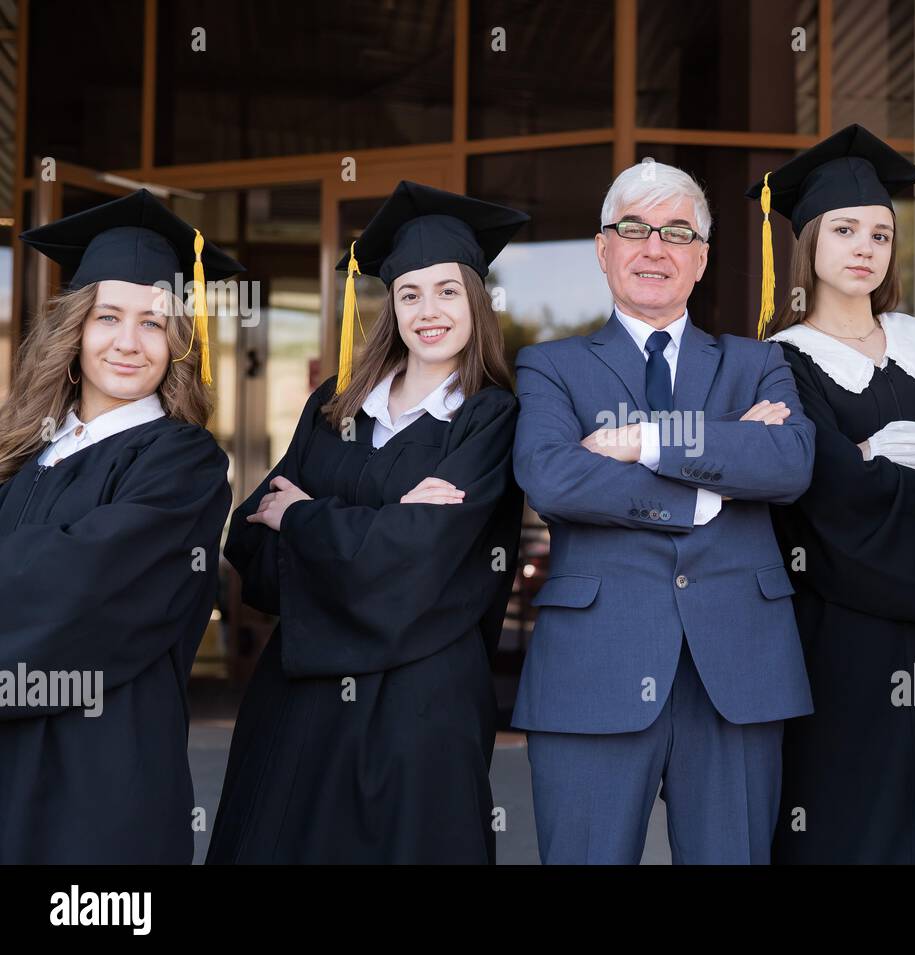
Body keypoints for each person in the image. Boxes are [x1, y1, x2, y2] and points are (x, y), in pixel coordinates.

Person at [208, 182, 526, 863]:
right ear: (390, 307)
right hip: (297, 705)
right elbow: (248, 543)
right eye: (409, 293)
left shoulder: (489, 417)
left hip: (419, 712)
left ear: (476, 300)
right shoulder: (334, 405)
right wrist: (373, 530)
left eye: (447, 290)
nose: (428, 310)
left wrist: (302, 514)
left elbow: (420, 564)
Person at [511, 160, 815, 864]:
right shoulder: (549, 365)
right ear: (602, 248)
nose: (655, 247)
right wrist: (713, 478)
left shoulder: (758, 362)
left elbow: (790, 463)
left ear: (702, 259)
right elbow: (552, 476)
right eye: (634, 228)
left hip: (737, 672)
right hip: (594, 667)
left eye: (677, 232)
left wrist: (642, 441)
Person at [746, 125, 915, 863]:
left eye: (879, 231)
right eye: (844, 230)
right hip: (844, 634)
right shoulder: (783, 365)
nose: (865, 246)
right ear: (807, 244)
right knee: (854, 810)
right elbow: (828, 490)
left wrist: (888, 450)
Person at [0, 189, 236, 863]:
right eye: (108, 317)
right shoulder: (23, 451)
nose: (128, 343)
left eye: (154, 323)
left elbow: (87, 583)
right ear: (75, 330)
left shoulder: (182, 461)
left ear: (179, 341)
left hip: (101, 781)